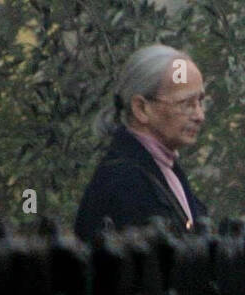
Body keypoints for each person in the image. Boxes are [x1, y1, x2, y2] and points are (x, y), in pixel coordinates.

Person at [74, 44, 209, 243]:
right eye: (186, 104)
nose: (199, 116)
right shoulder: (123, 181)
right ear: (141, 109)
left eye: (200, 102)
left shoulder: (163, 169)